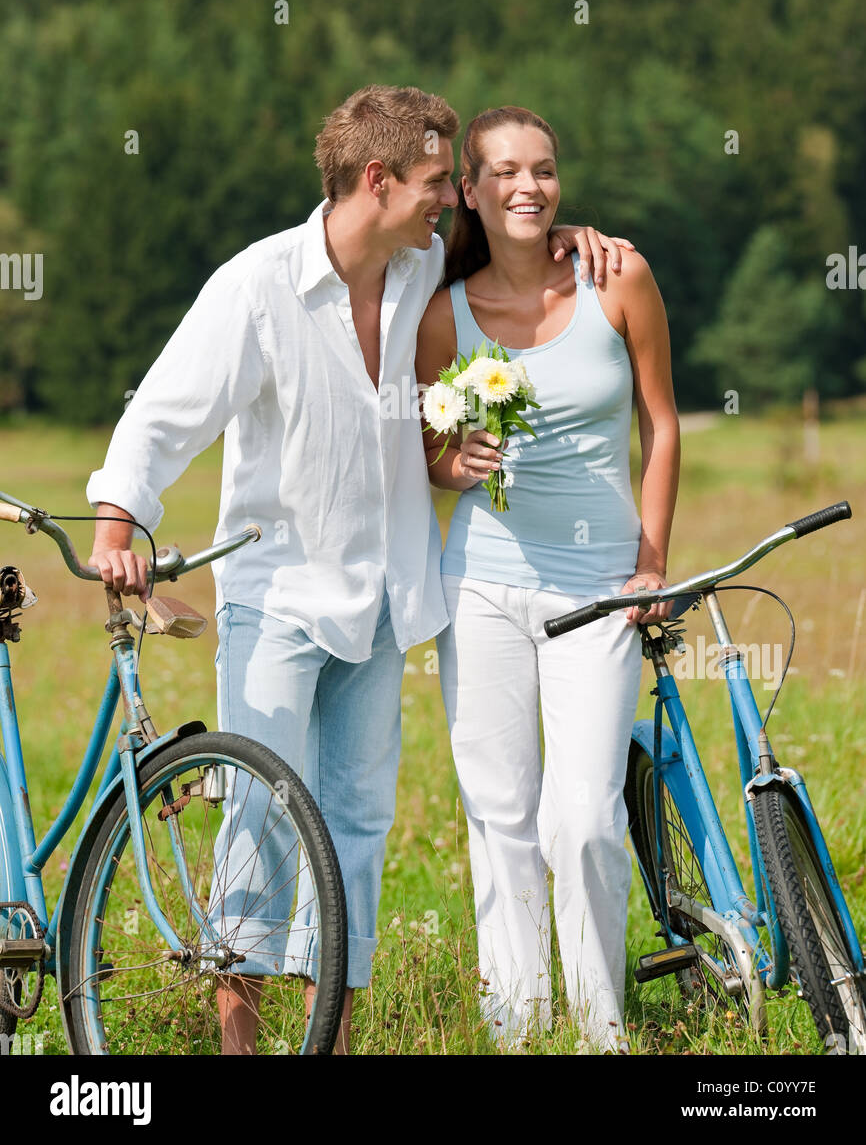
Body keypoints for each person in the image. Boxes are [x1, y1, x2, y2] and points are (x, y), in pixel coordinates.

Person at [85, 85, 631, 1055]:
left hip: (387, 601)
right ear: (376, 179)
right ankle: (242, 1050)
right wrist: (120, 522)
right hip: (278, 600)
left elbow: (514, 228)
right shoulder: (257, 286)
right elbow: (164, 413)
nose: (447, 201)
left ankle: (326, 1042)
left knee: (356, 828)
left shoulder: (421, 262)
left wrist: (575, 233)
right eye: (433, 181)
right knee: (257, 816)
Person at [416, 106, 680, 1053]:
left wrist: (651, 560)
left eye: (546, 171)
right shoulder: (440, 311)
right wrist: (455, 466)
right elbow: (427, 452)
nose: (530, 187)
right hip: (480, 585)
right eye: (507, 173)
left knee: (584, 817)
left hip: (599, 585)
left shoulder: (617, 277)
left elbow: (662, 424)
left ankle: (600, 1030)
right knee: (500, 813)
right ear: (471, 192)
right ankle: (516, 1028)